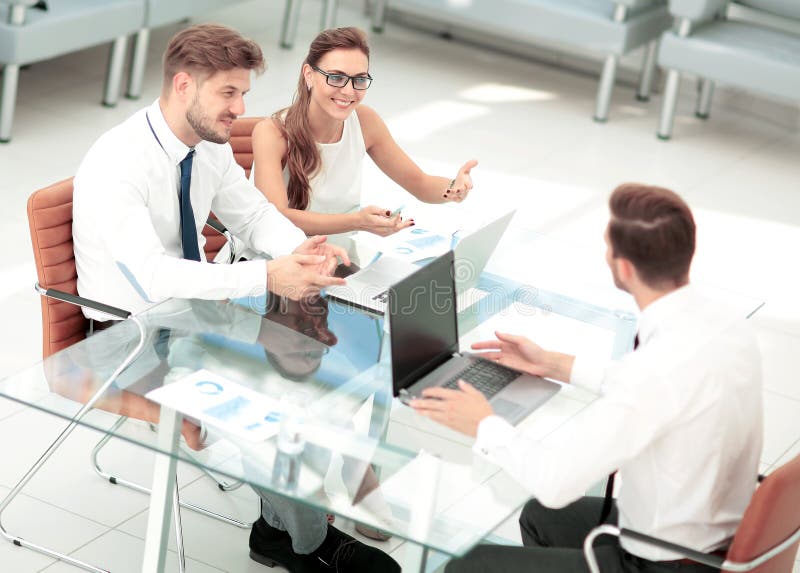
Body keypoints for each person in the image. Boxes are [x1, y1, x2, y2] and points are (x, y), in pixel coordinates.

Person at [72, 24, 398, 572]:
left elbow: (252, 215)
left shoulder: (206, 148)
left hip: (199, 313)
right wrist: (268, 278)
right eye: (228, 93)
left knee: (325, 366)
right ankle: (309, 544)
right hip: (132, 333)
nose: (240, 108)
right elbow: (152, 277)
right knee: (279, 414)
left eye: (244, 92)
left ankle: (284, 530)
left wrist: (304, 254)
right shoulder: (119, 163)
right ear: (183, 85)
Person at [411, 184, 763, 572]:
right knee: (539, 518)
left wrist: (484, 424)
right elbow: (668, 388)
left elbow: (556, 482)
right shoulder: (726, 324)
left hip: (663, 562)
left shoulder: (649, 375)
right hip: (715, 534)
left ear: (624, 267)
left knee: (467, 566)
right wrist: (553, 364)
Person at [250, 26, 478, 253]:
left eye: (359, 80)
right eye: (336, 77)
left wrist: (452, 188)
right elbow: (276, 217)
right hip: (275, 264)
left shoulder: (365, 121)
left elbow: (420, 183)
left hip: (337, 261)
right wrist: (357, 221)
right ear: (309, 75)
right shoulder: (272, 132)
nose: (349, 92)